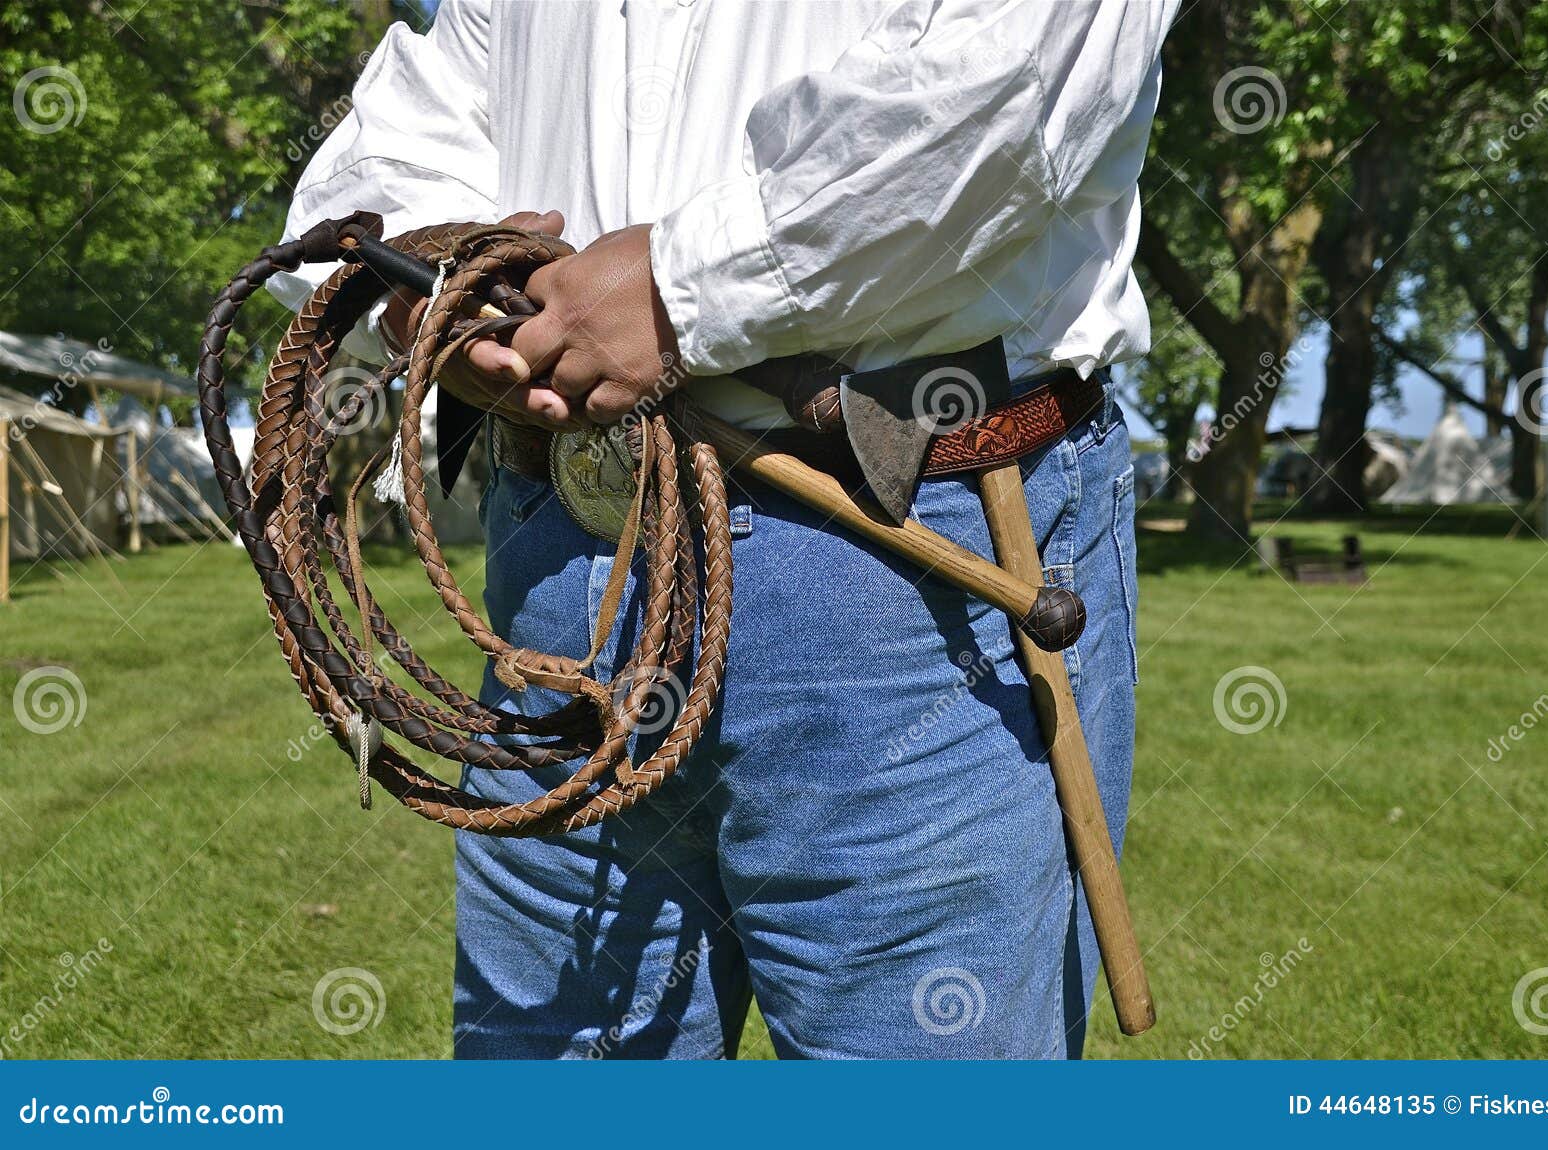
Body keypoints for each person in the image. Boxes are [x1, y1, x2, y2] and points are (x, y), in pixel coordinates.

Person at [271, 0, 1178, 1059]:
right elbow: (412, 116)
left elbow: (1019, 85)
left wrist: (681, 287)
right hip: (564, 558)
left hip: (910, 566)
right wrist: (441, 266)